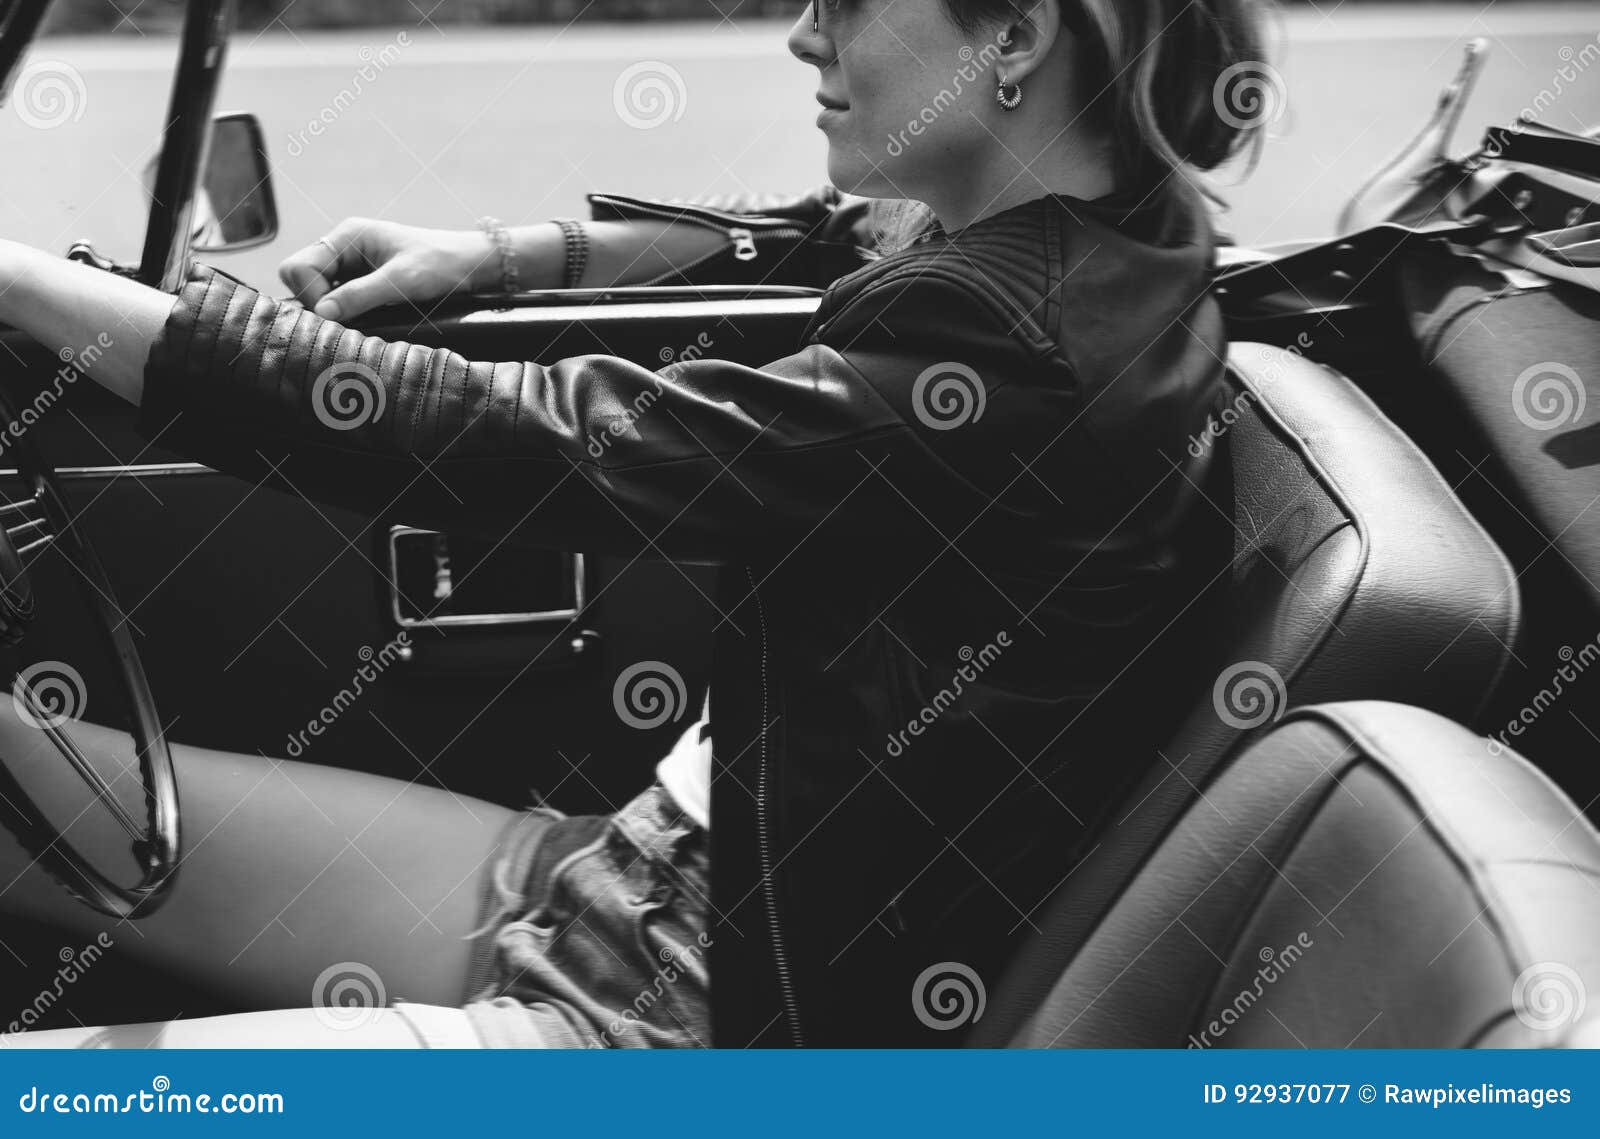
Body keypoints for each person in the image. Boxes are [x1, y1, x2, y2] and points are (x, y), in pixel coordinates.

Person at [0, 0, 1266, 1047]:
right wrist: (508, 257)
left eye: (848, 6)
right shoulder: (1101, 233)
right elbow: (821, 240)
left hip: (685, 1021)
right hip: (627, 873)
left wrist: (24, 280)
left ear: (1018, 35)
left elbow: (518, 443)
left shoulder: (1014, 349)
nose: (804, 38)